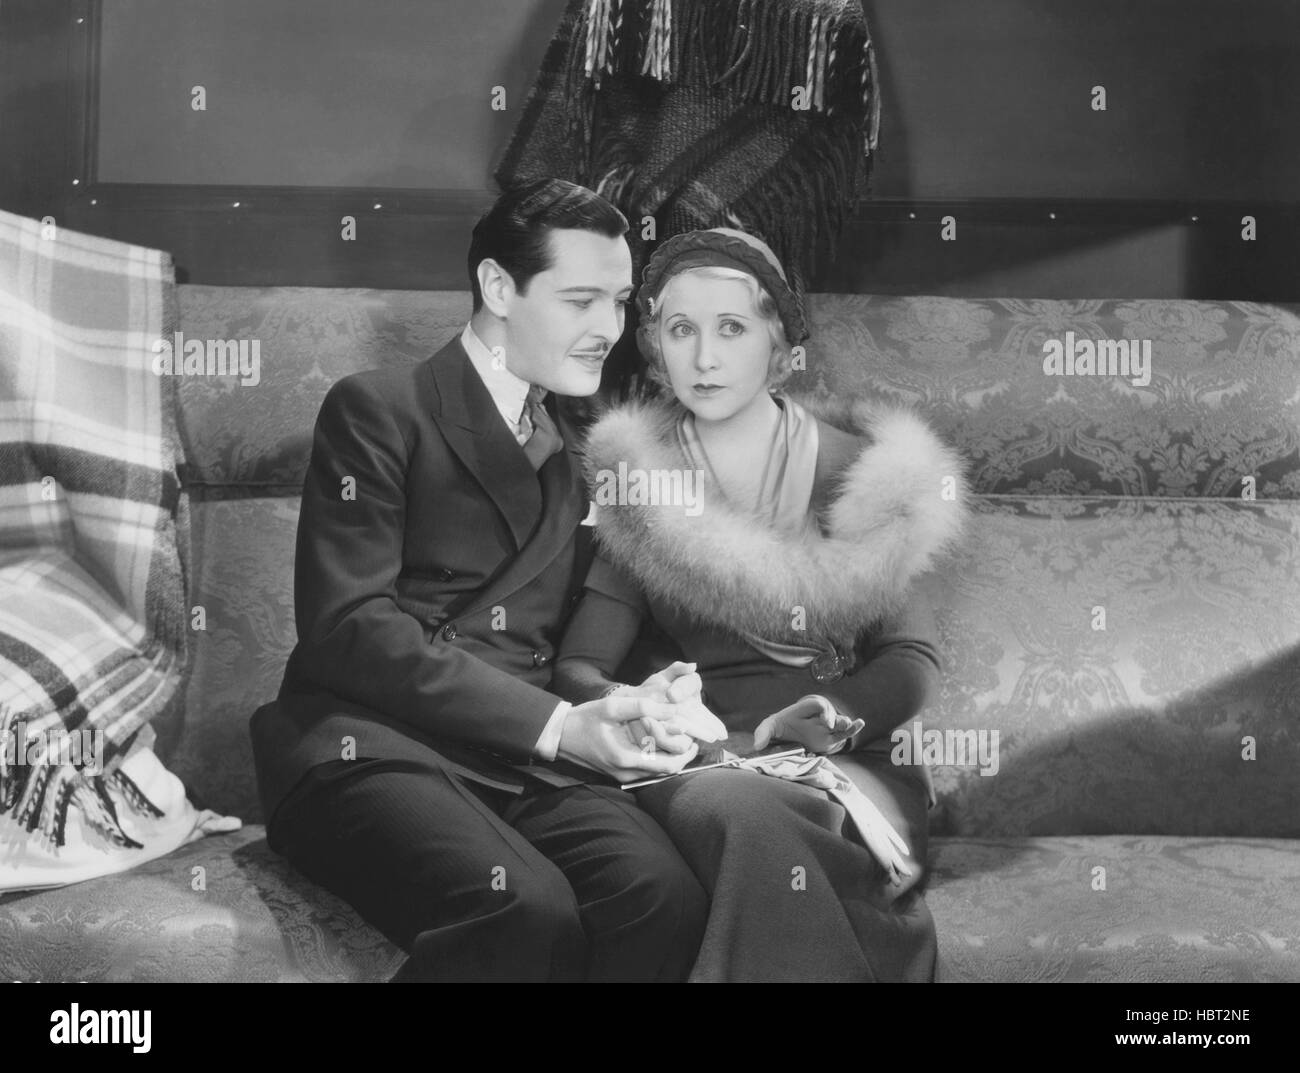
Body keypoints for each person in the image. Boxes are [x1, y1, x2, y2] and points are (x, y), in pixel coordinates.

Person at [249, 180, 729, 983]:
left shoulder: (587, 448)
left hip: (517, 759)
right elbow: (348, 627)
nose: (608, 331)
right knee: (521, 908)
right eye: (580, 301)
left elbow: (577, 643)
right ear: (498, 288)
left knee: (662, 896)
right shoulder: (380, 408)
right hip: (366, 747)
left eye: (618, 302)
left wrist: (642, 696)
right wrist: (557, 724)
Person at [553, 227, 971, 982]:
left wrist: (826, 715)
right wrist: (640, 704)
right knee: (741, 809)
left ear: (779, 348)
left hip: (848, 761)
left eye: (732, 329)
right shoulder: (640, 481)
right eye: (681, 330)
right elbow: (580, 664)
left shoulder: (863, 470)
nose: (704, 357)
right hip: (703, 760)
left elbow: (913, 661)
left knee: (774, 815)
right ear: (653, 346)